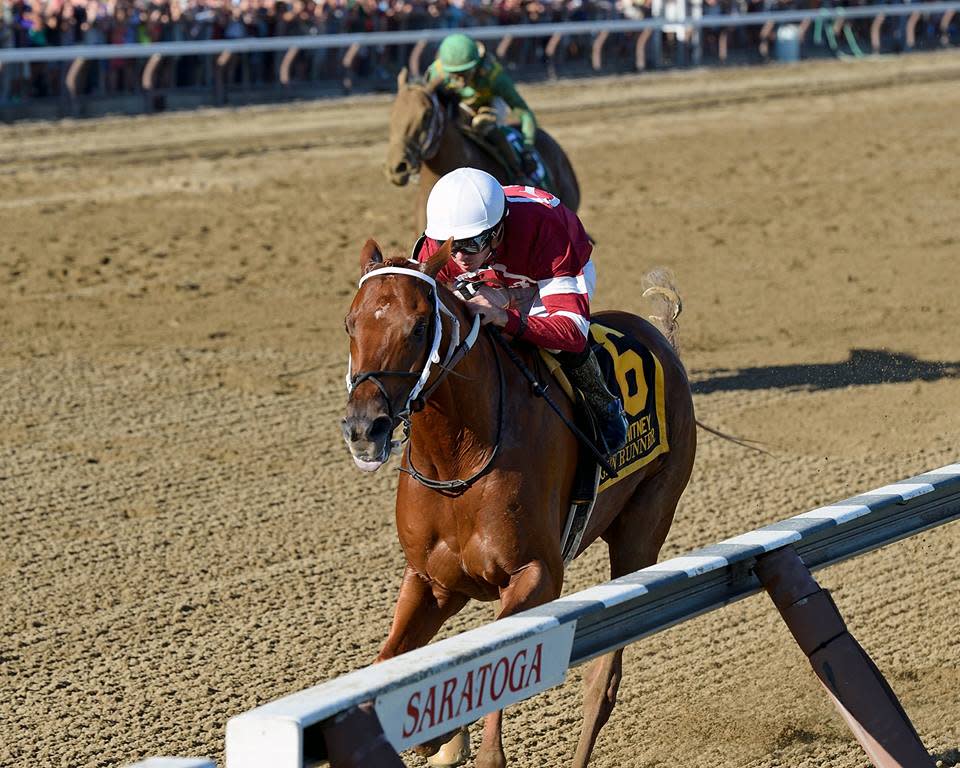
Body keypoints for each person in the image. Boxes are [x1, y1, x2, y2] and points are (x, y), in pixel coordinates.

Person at [414, 167, 628, 454]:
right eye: (448, 246)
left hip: (545, 276)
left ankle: (604, 405)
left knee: (551, 345)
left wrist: (505, 315)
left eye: (471, 244)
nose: (460, 257)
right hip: (491, 279)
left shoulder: (543, 227)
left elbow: (572, 333)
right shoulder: (438, 245)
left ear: (498, 230)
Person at [426, 32, 539, 186]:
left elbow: (524, 113)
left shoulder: (494, 76)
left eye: (464, 73)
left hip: (489, 104)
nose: (460, 81)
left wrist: (528, 148)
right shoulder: (436, 73)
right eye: (454, 74)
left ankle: (517, 172)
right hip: (456, 106)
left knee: (483, 124)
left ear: (476, 64)